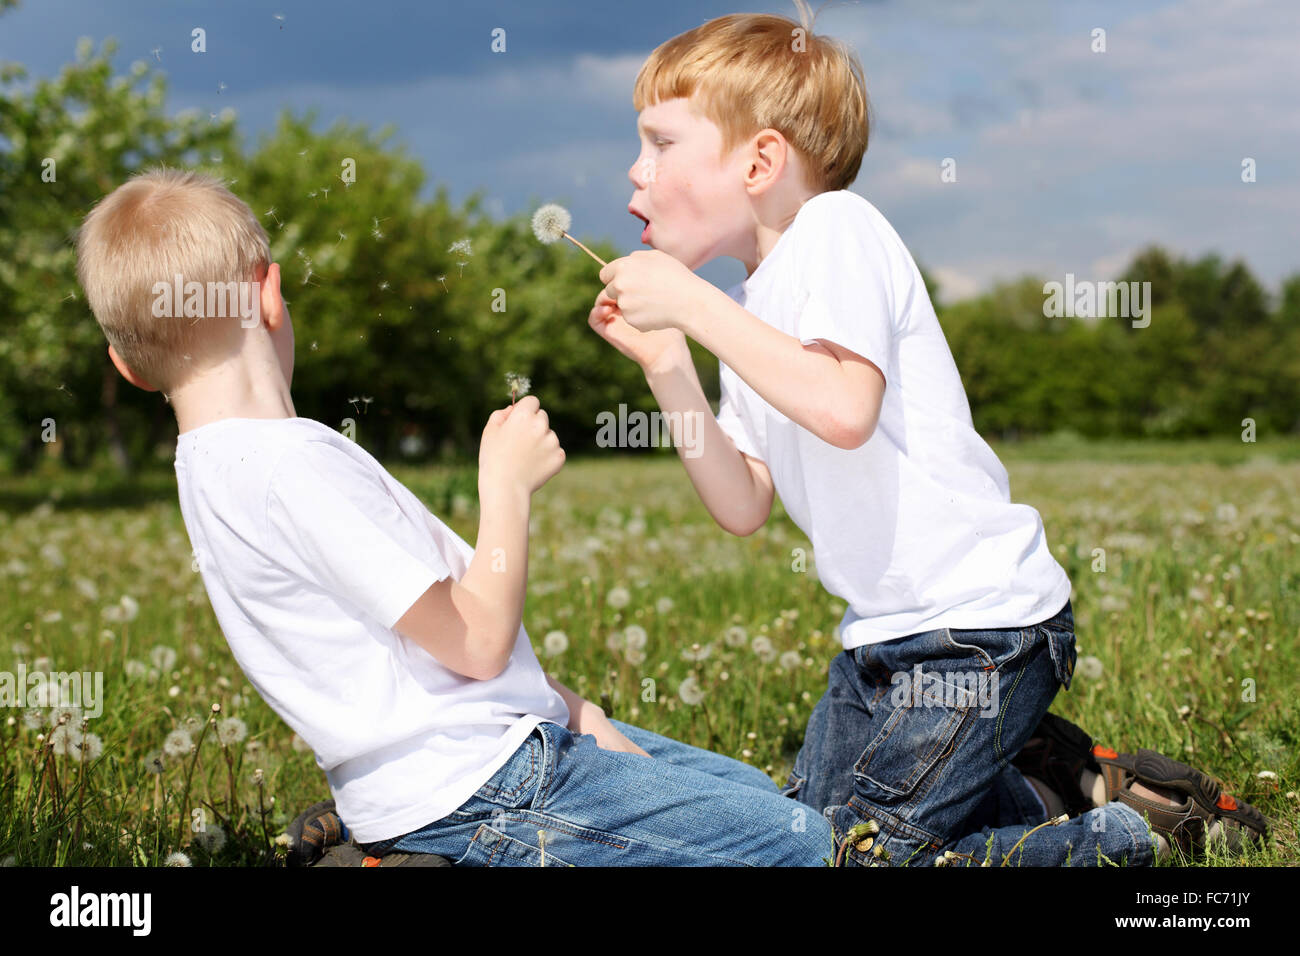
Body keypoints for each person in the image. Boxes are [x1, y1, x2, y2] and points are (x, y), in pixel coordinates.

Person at [588, 6, 1270, 866]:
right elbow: (742, 503)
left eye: (660, 142)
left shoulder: (837, 231)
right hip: (877, 644)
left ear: (761, 161)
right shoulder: (747, 314)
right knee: (803, 834)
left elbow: (843, 409)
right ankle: (1052, 787)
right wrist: (668, 366)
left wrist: (694, 308)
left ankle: (1136, 839)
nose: (634, 169)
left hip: (984, 632)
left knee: (863, 853)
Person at [74, 166, 833, 867]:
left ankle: (398, 849)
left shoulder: (209, 469)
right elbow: (474, 643)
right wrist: (507, 489)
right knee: (806, 843)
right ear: (269, 293)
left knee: (757, 799)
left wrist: (579, 712)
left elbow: (424, 660)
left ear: (128, 366)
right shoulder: (288, 467)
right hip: (483, 787)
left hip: (482, 762)